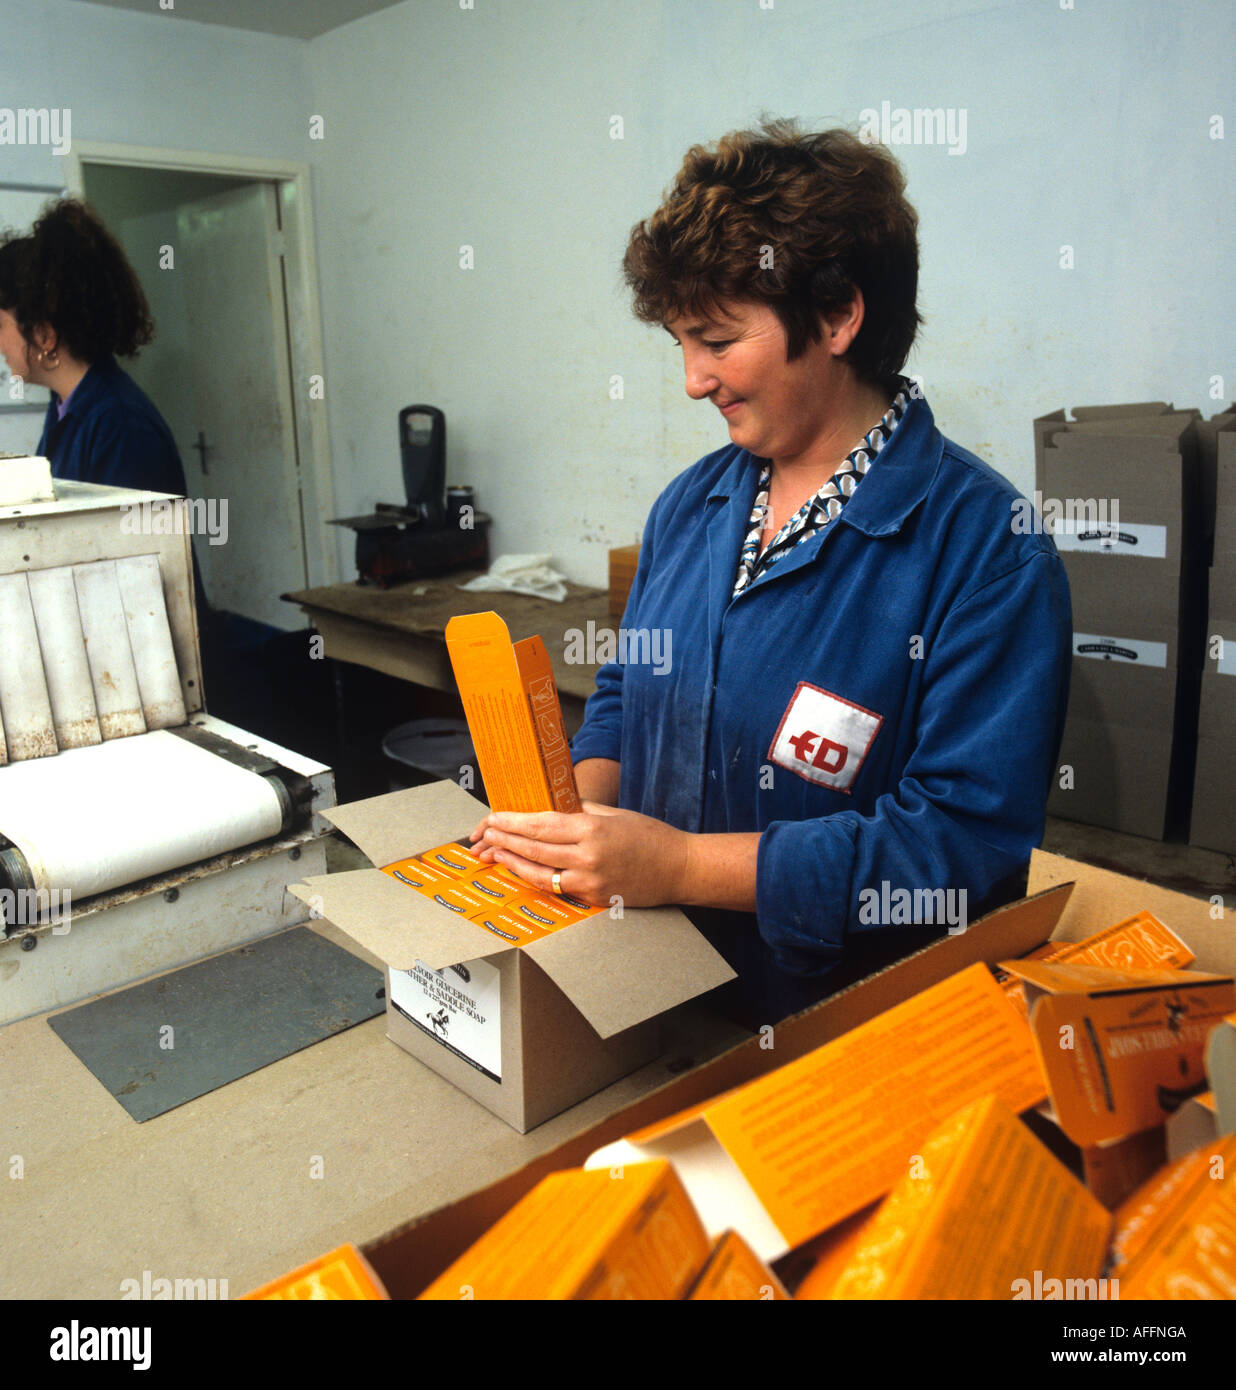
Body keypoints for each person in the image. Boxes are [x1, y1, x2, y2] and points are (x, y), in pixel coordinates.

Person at [472, 120, 1072, 1027]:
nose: (691, 380)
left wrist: (677, 867)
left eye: (716, 340)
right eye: (679, 342)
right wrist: (570, 822)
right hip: (651, 991)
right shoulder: (692, 506)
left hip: (844, 1023)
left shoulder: (987, 550)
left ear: (836, 316)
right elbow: (629, 697)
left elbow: (955, 847)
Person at [0, 197, 188, 497]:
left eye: (0, 326)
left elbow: (139, 543)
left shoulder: (121, 426)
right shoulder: (65, 407)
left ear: (45, 336)